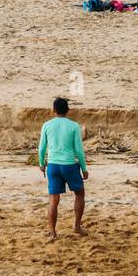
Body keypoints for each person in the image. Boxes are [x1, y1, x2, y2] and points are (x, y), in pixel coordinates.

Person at [38, 97, 88, 241]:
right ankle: (77, 226)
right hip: (69, 165)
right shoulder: (74, 126)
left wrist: (42, 164)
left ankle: (53, 233)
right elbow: (79, 150)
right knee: (79, 194)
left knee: (53, 200)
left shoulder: (47, 125)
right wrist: (84, 168)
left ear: (53, 110)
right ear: (67, 110)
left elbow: (41, 148)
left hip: (53, 166)